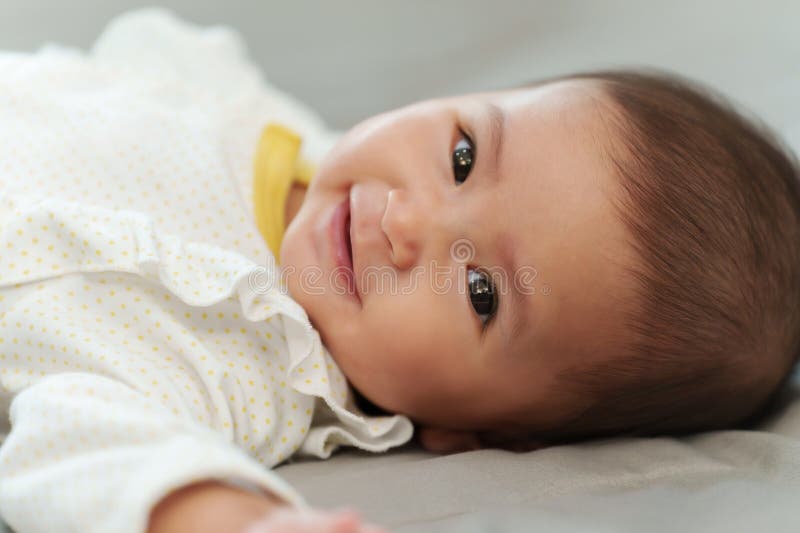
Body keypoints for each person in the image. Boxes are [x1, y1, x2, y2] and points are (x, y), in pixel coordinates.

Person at [1, 7, 799, 533]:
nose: (407, 222)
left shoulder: (253, 369)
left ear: (483, 432)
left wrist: (234, 518)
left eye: (480, 291)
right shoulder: (237, 104)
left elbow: (84, 445)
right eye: (463, 155)